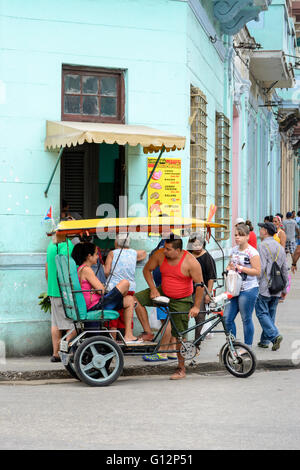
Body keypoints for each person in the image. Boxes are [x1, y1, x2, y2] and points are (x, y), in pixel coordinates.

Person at [134, 235, 204, 380]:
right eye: (164, 247)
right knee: (134, 300)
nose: (164, 251)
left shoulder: (191, 262)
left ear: (178, 250)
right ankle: (148, 332)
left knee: (180, 336)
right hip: (163, 292)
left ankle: (181, 369)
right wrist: (153, 288)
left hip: (181, 299)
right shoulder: (160, 255)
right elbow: (146, 270)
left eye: (168, 249)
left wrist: (196, 306)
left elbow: (199, 286)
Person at [73, 242, 138, 344]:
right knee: (125, 283)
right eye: (95, 254)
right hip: (96, 305)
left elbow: (98, 288)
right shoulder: (86, 269)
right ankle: (127, 334)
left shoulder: (81, 268)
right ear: (89, 256)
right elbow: (101, 290)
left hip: (96, 302)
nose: (98, 257)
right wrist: (100, 288)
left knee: (130, 300)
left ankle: (128, 335)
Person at [224, 223, 261, 347]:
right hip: (234, 289)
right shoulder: (234, 250)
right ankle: (232, 346)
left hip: (248, 289)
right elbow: (230, 264)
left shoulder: (252, 252)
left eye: (241, 235)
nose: (237, 237)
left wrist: (240, 268)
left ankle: (247, 347)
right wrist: (228, 268)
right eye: (235, 235)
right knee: (227, 319)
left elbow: (257, 271)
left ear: (247, 236)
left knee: (246, 319)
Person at [104, 233, 147, 339]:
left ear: (115, 242)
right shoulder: (133, 253)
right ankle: (128, 335)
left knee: (114, 310)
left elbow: (106, 271)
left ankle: (113, 338)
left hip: (115, 288)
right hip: (130, 289)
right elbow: (144, 253)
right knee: (127, 311)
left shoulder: (112, 253)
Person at [142, 239, 177, 362]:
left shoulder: (164, 248)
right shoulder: (167, 246)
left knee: (166, 322)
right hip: (165, 289)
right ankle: (172, 350)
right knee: (170, 321)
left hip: (165, 291)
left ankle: (162, 352)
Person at [255, 222, 289, 350]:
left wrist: (256, 283)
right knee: (270, 314)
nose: (260, 230)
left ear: (265, 231)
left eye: (262, 228)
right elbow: (284, 269)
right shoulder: (280, 247)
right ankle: (264, 341)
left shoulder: (262, 246)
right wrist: (285, 288)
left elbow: (261, 266)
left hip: (264, 286)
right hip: (277, 286)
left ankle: (274, 336)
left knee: (261, 313)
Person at [45, 231, 76, 362]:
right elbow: (70, 269)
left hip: (52, 289)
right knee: (73, 324)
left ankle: (55, 353)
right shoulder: (68, 245)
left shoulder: (50, 246)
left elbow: (47, 269)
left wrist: (50, 287)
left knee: (56, 324)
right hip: (64, 291)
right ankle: (65, 349)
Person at [187, 232, 216, 343]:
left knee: (200, 317)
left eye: (200, 244)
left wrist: (208, 294)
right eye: (195, 245)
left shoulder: (207, 257)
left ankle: (197, 343)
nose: (198, 247)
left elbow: (211, 277)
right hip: (187, 290)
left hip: (201, 290)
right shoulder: (188, 256)